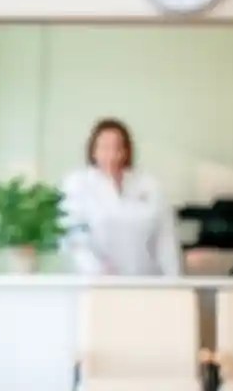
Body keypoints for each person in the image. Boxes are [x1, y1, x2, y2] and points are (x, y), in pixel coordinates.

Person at [61, 118, 181, 277]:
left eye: (117, 147)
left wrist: (175, 279)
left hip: (148, 281)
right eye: (104, 147)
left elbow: (166, 239)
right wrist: (98, 273)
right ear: (93, 151)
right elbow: (74, 238)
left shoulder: (149, 185)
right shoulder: (78, 184)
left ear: (126, 151)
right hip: (97, 283)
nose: (112, 154)